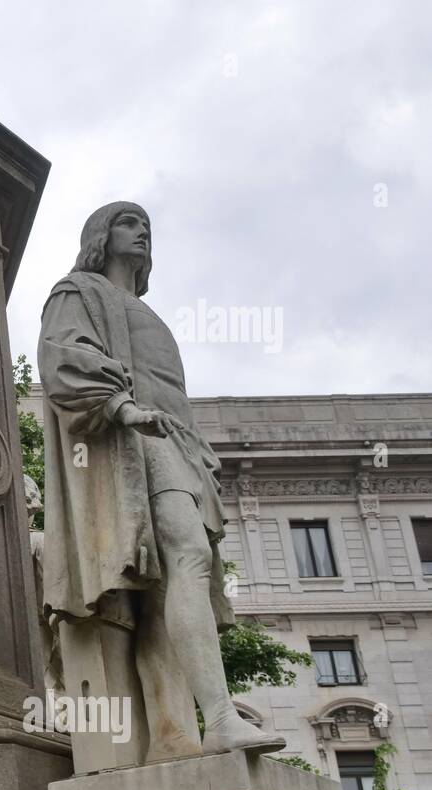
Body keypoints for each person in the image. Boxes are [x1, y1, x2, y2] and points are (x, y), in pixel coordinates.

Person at [37, 201, 284, 755]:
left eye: (147, 226)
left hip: (179, 446)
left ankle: (173, 742)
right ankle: (220, 718)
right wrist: (122, 409)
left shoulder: (150, 314)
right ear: (101, 235)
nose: (142, 232)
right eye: (128, 222)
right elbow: (62, 362)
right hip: (132, 441)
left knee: (165, 591)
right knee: (188, 554)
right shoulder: (75, 292)